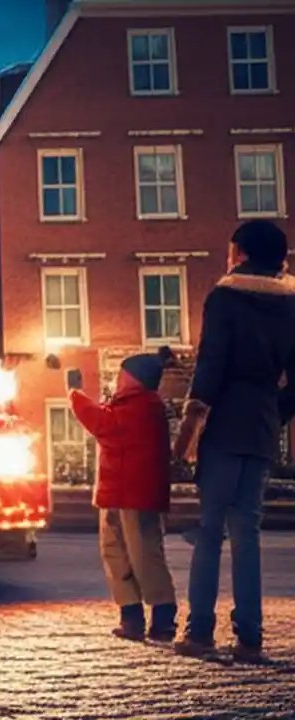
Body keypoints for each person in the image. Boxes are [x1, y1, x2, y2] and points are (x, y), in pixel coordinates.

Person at [173, 219, 295, 662]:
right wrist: (275, 413)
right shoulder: (291, 303)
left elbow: (211, 367)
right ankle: (249, 636)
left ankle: (199, 629)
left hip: (223, 422)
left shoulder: (224, 297)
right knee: (249, 532)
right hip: (261, 424)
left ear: (240, 254)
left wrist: (191, 427)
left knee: (209, 531)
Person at [70, 347, 178, 642]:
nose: (117, 379)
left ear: (133, 378)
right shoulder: (135, 405)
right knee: (118, 554)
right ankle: (134, 616)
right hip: (118, 494)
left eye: (122, 374)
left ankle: (160, 616)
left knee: (143, 556)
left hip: (134, 495)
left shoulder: (142, 406)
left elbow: (103, 425)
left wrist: (76, 395)